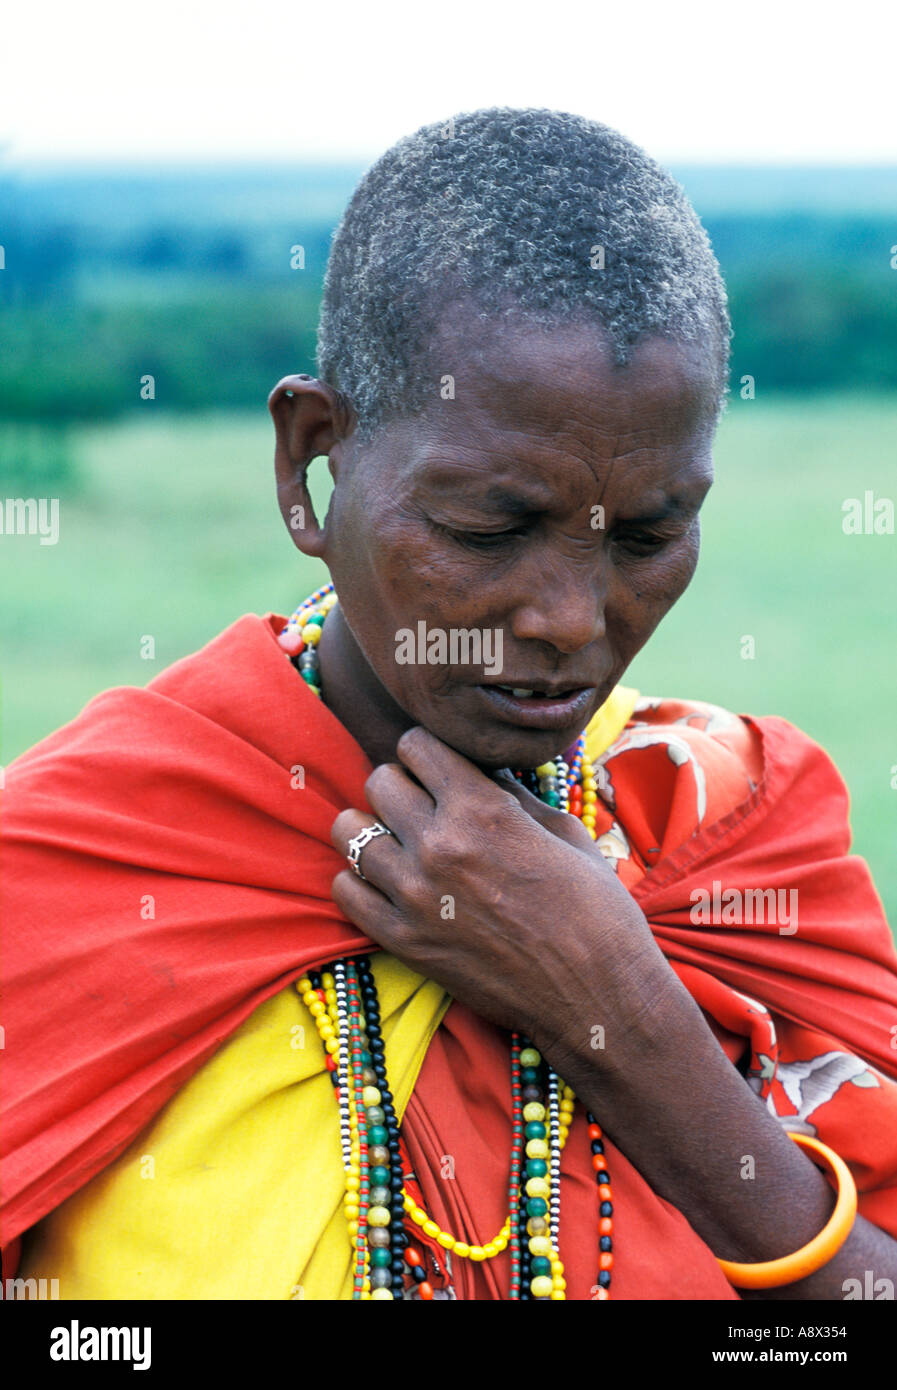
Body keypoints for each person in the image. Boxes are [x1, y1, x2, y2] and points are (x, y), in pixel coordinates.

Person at [3, 108, 897, 1302]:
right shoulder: (77, 870)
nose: (571, 621)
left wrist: (625, 1022)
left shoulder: (729, 830)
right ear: (313, 461)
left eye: (650, 533)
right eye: (488, 528)